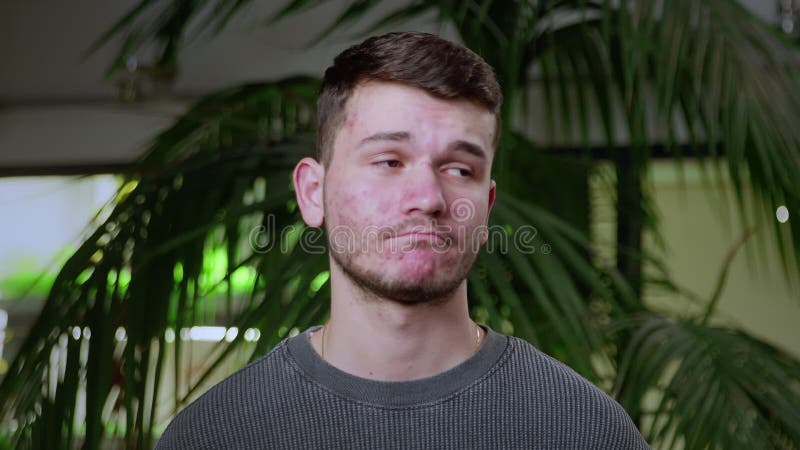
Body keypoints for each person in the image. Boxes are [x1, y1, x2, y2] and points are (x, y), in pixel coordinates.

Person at [155, 31, 650, 450]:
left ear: (487, 206)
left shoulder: (585, 430)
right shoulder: (215, 435)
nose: (428, 197)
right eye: (389, 161)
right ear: (312, 194)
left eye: (460, 169)